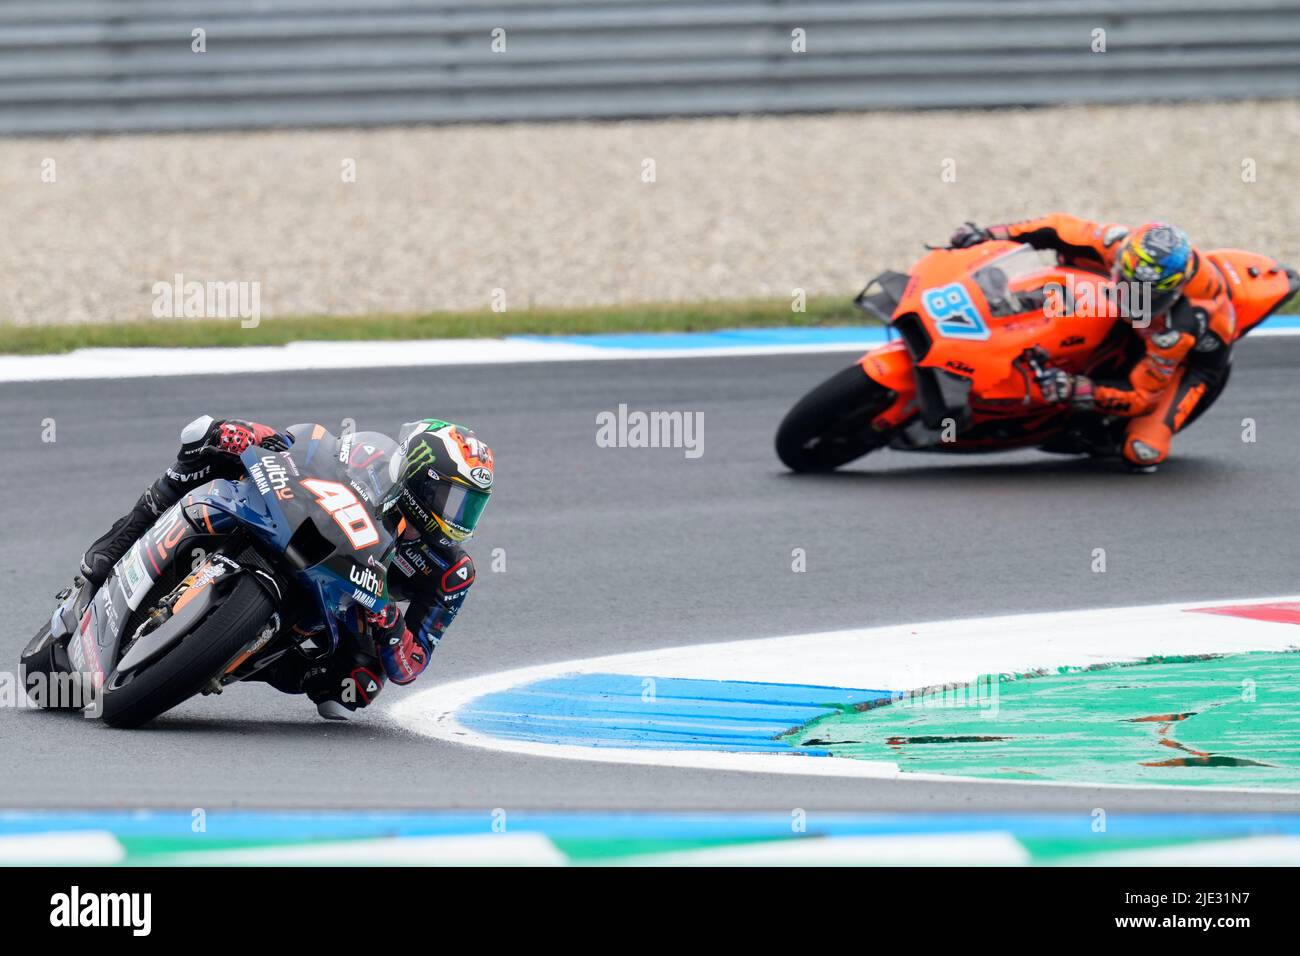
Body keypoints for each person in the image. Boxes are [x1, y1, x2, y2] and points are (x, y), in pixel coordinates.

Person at [73, 415, 492, 719]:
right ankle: (114, 548)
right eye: (452, 499)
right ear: (418, 477)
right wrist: (259, 436)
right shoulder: (370, 456)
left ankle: (229, 656)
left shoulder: (450, 573)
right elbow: (311, 448)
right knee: (207, 439)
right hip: (301, 529)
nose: (459, 519)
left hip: (354, 602)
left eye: (471, 507)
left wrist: (387, 621)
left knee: (355, 690)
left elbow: (411, 664)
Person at [950, 213, 1235, 471]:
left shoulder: (1177, 330)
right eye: (1127, 283)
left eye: (1145, 294)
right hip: (1133, 306)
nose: (1131, 297)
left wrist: (1077, 389)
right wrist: (991, 234)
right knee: (1071, 259)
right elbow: (1056, 228)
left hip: (1192, 366)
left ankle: (1100, 432)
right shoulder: (1119, 244)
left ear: (1172, 291)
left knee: (1142, 452)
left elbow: (1142, 397)